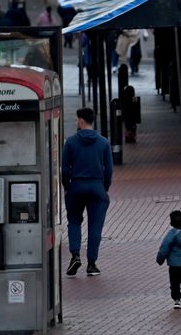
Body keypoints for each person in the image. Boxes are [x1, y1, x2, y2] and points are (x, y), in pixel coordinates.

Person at [62, 107, 114, 277]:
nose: (76, 122)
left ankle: (75, 255)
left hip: (76, 186)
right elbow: (109, 171)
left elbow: (65, 170)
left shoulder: (70, 142)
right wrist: (103, 188)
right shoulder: (103, 143)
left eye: (77, 120)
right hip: (96, 186)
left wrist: (68, 187)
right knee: (95, 225)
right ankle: (92, 263)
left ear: (81, 121)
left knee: (74, 221)